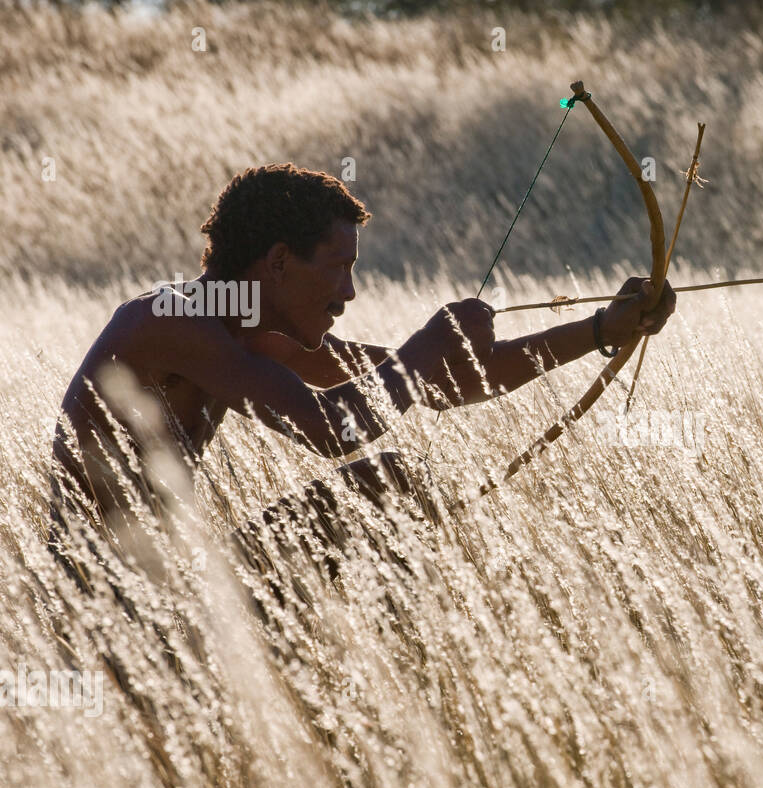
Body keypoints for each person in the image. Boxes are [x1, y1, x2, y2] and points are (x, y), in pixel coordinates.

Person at [46, 162, 677, 611]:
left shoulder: (245, 327)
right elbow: (334, 429)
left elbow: (448, 383)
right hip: (107, 609)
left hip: (169, 592)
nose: (348, 293)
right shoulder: (173, 322)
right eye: (340, 267)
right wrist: (424, 349)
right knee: (389, 479)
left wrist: (600, 328)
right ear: (278, 262)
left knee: (390, 481)